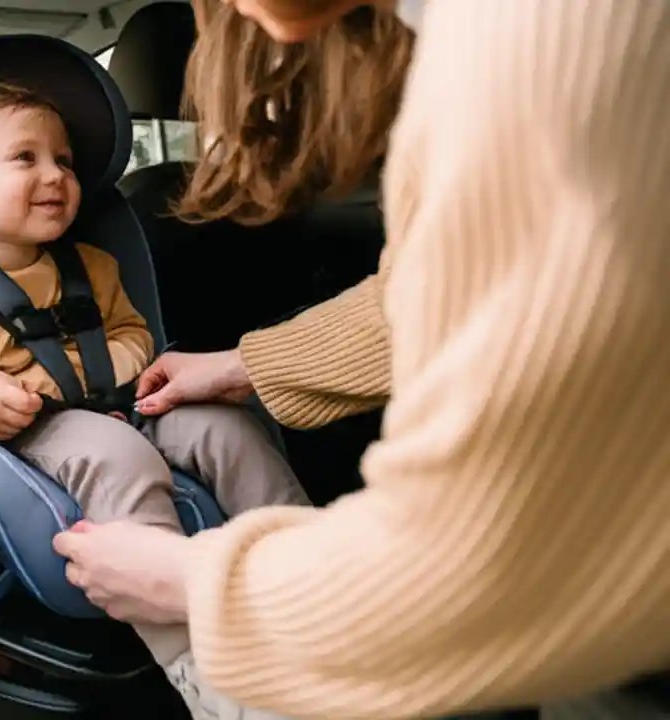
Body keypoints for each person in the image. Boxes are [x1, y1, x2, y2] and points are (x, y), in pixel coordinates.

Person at [53, 0, 670, 718]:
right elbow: (446, 285)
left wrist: (187, 585)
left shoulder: (533, 35)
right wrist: (248, 364)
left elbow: (474, 554)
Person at [0, 77, 310, 719]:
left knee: (226, 427)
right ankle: (194, 661)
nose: (55, 175)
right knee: (117, 454)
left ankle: (307, 579)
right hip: (33, 427)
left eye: (63, 160)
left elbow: (134, 334)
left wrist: (114, 364)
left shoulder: (93, 263)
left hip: (122, 400)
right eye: (25, 158)